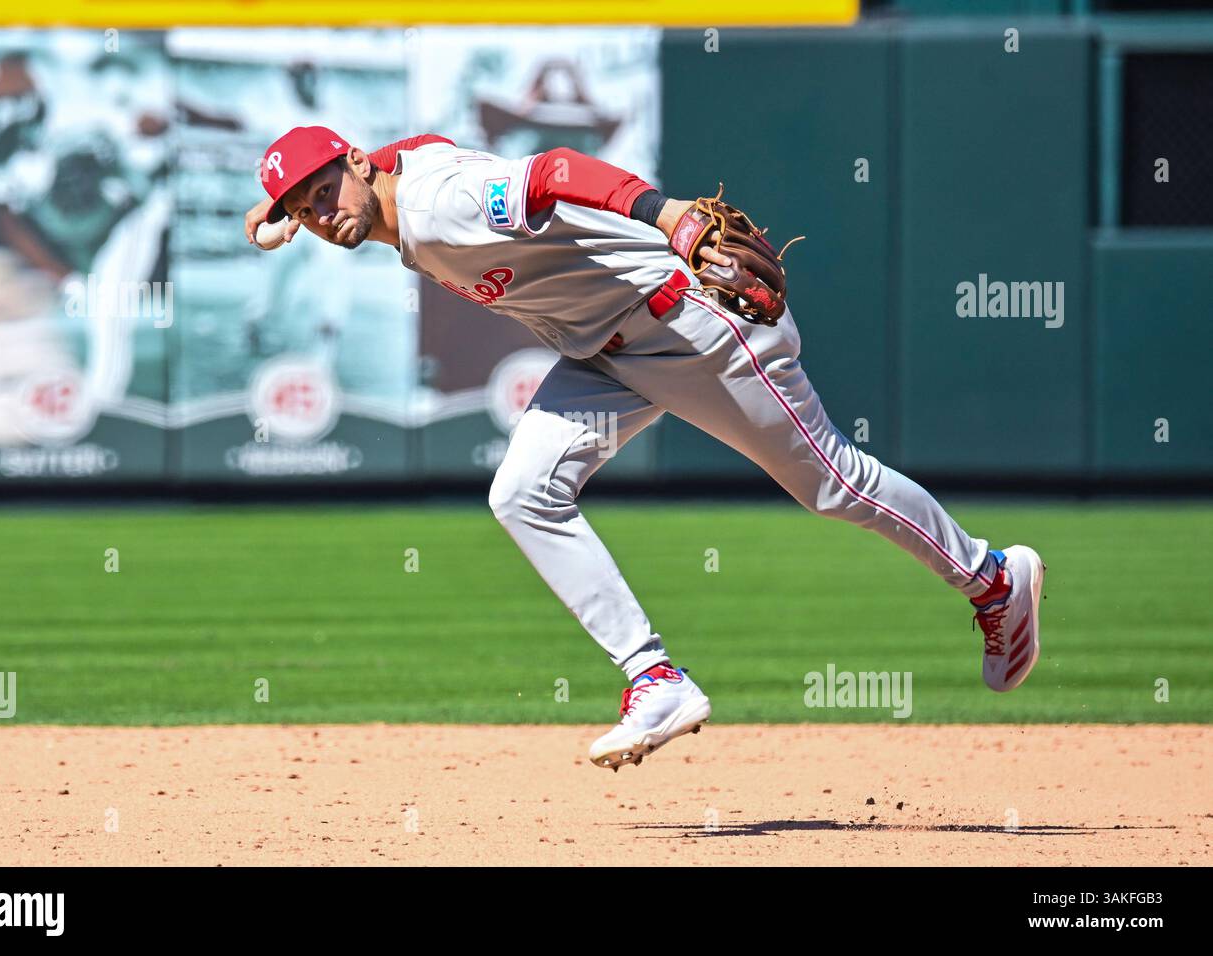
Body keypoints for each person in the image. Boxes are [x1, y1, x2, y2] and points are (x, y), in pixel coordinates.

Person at [244, 126, 1045, 772]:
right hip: (607, 354)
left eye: (323, 192)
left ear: (355, 163)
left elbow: (552, 169)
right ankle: (655, 679)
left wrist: (669, 215)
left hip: (693, 328)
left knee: (832, 483)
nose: (321, 213)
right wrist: (288, 207)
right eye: (305, 208)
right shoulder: (389, 182)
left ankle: (994, 578)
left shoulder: (437, 205)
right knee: (521, 493)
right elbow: (410, 146)